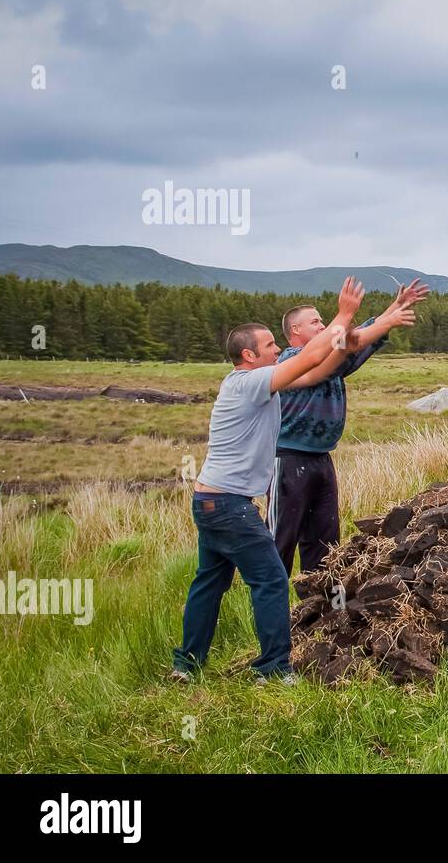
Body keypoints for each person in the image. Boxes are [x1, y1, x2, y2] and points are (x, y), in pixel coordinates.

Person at [170, 278, 366, 684]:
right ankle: (275, 669)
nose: (278, 350)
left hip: (209, 500)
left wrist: (361, 333)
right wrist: (343, 315)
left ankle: (186, 665)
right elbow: (309, 355)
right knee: (272, 578)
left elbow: (315, 367)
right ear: (248, 354)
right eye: (271, 347)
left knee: (210, 581)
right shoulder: (250, 382)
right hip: (228, 505)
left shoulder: (257, 383)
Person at [268, 279, 428, 576]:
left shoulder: (333, 356)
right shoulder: (290, 360)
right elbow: (338, 347)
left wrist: (397, 306)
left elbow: (356, 339)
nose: (321, 324)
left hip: (322, 460)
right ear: (295, 331)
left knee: (325, 544)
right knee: (280, 542)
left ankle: (318, 611)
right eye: (314, 321)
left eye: (321, 320)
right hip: (289, 461)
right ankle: (270, 615)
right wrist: (385, 320)